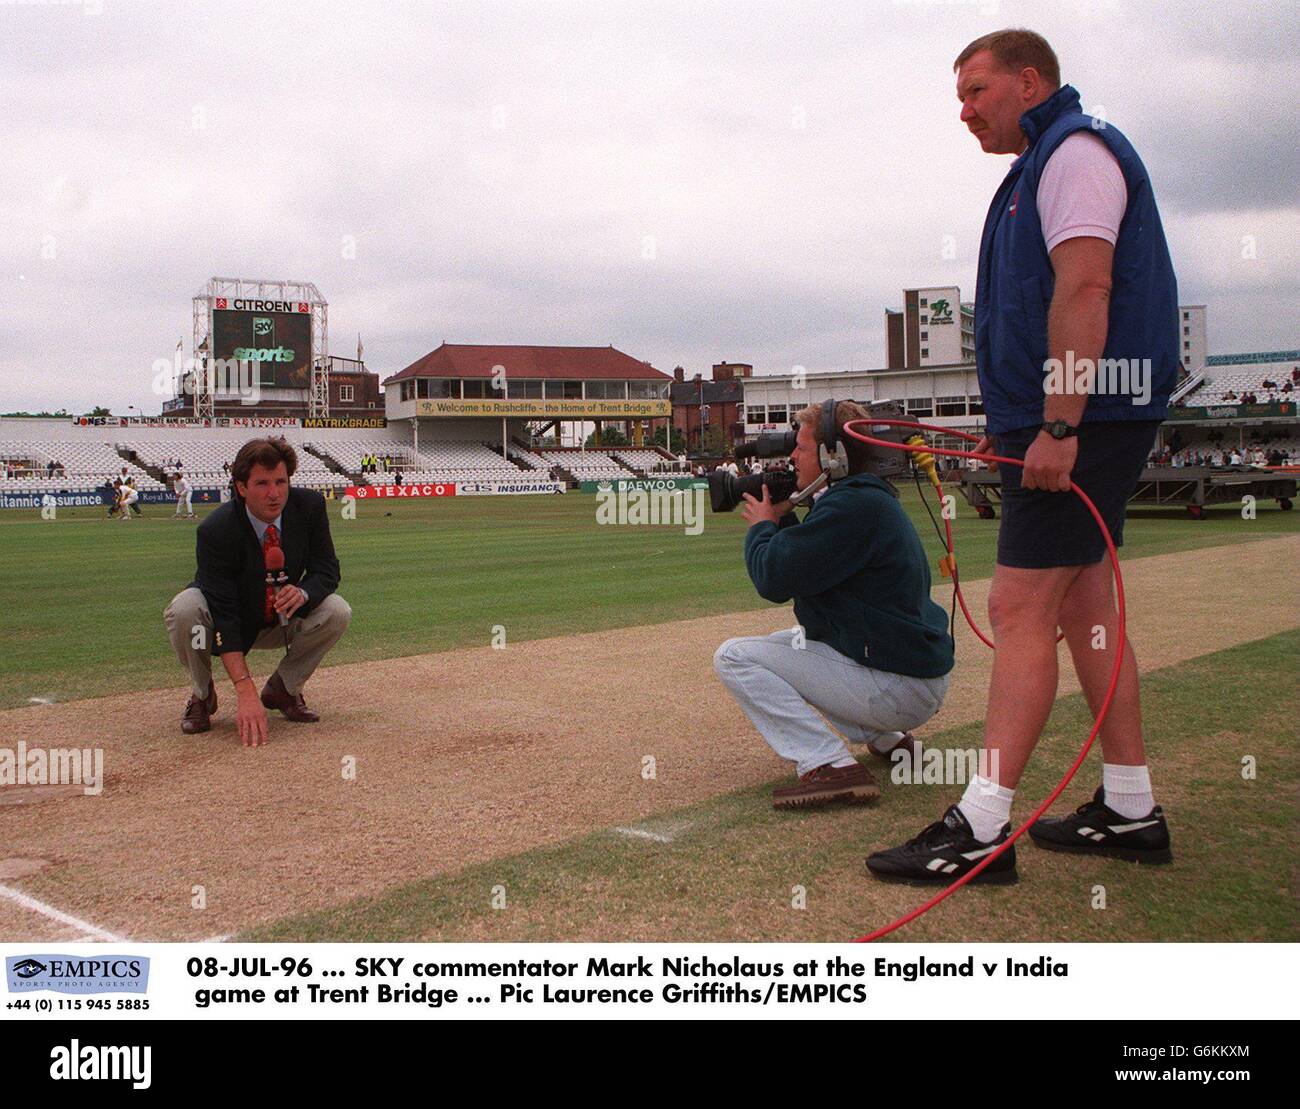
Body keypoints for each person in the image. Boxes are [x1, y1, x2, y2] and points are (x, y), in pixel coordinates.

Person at [869, 30, 1176, 885]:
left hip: (1085, 417)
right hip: (1074, 417)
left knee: (1017, 607)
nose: (964, 112)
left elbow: (1086, 286)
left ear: (1030, 80)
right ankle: (1129, 806)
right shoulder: (1037, 167)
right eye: (959, 99)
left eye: (976, 91)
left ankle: (980, 826)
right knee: (1085, 607)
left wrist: (1063, 423)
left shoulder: (1073, 153)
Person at [713, 400, 954, 810]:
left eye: (801, 447)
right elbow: (813, 579)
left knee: (734, 657)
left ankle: (828, 764)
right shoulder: (863, 500)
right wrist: (785, 516)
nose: (791, 456)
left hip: (899, 686)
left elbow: (774, 579)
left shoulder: (852, 507)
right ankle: (890, 743)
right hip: (911, 678)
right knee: (796, 643)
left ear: (833, 455)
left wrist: (763, 527)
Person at [163, 436, 351, 744]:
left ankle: (284, 689)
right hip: (228, 623)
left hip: (281, 619)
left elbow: (327, 570)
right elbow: (223, 614)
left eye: (281, 481)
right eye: (262, 483)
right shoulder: (215, 530)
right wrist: (244, 688)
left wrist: (303, 592)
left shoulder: (309, 507)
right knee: (185, 609)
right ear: (241, 487)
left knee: (337, 610)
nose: (274, 494)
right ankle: (202, 695)